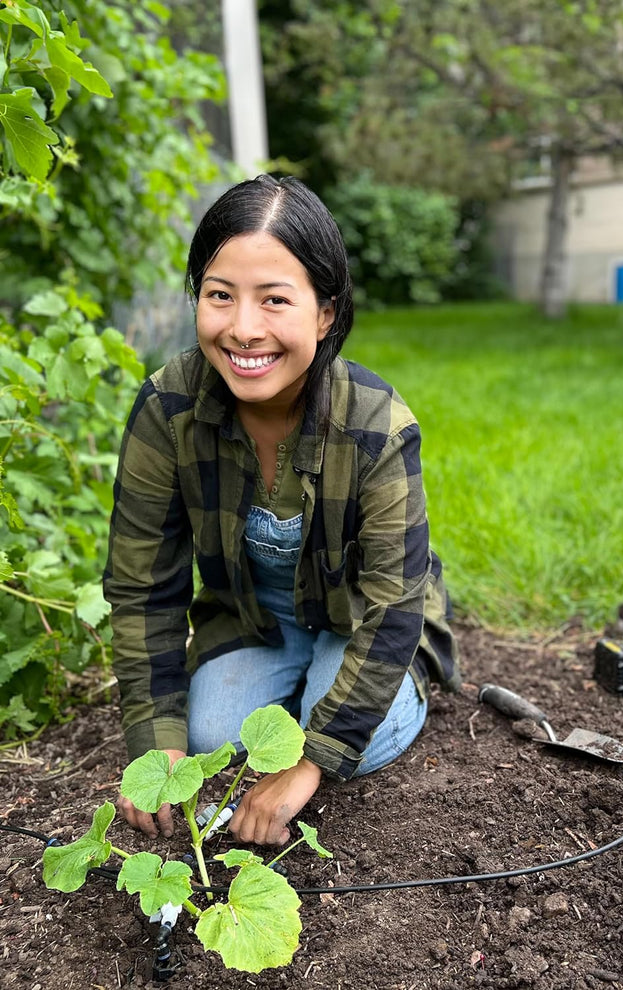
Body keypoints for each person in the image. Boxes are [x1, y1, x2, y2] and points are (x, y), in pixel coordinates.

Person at [104, 174, 461, 846]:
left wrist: (310, 762)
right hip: (256, 619)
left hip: (359, 620)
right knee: (209, 734)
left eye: (274, 300)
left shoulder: (377, 425)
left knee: (364, 736)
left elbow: (392, 606)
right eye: (219, 296)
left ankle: (356, 701)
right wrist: (156, 746)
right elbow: (143, 587)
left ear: (324, 313)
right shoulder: (167, 410)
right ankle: (300, 693)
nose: (243, 328)